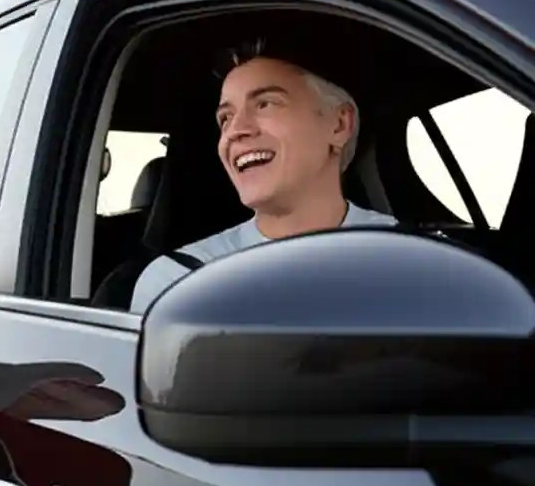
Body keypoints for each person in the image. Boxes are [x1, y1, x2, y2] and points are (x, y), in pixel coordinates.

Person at [130, 38, 397, 314]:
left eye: (265, 104)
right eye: (225, 118)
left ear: (339, 125)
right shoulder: (177, 282)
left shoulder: (414, 259)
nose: (235, 131)